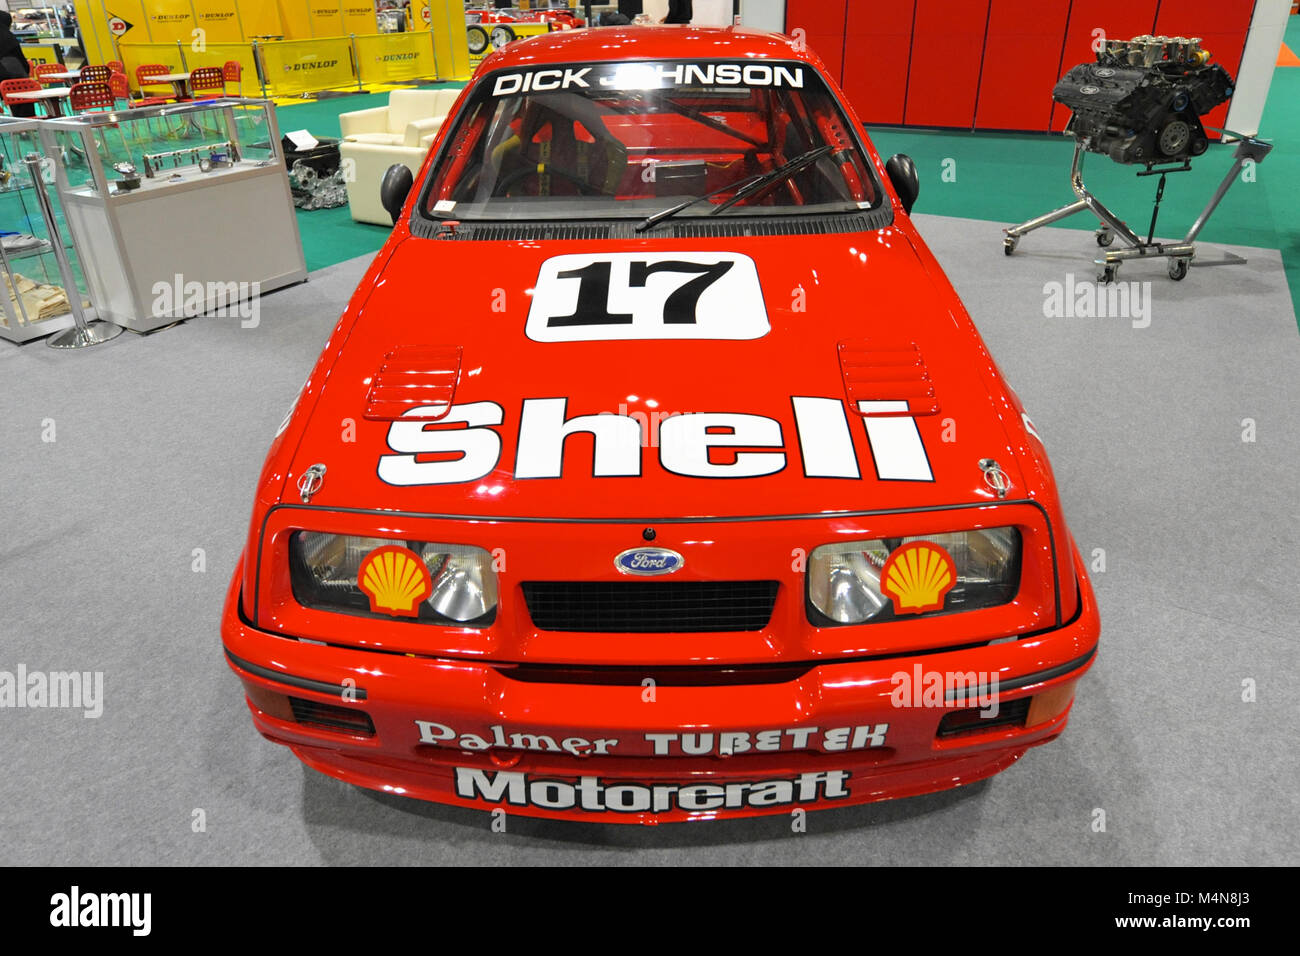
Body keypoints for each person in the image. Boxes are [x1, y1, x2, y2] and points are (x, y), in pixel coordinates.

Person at [0, 11, 36, 118]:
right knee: (24, 104)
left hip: (5, 78)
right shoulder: (8, 36)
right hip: (15, 76)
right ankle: (25, 127)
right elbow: (21, 58)